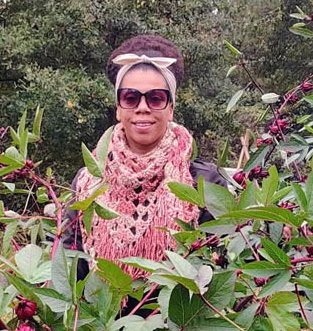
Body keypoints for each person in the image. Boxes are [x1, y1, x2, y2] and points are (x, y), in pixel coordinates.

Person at [56, 34, 225, 275]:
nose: (142, 107)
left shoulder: (204, 182)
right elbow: (71, 266)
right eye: (131, 98)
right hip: (100, 311)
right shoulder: (87, 183)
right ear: (118, 109)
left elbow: (219, 265)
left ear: (171, 109)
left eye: (156, 98)